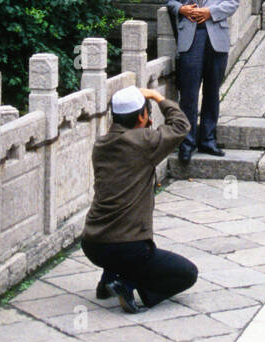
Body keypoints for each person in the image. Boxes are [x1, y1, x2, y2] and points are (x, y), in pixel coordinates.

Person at [83, 85, 198, 314]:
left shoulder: (101, 145)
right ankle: (128, 284)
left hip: (93, 244)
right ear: (142, 115)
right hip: (129, 248)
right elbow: (181, 126)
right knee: (187, 273)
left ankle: (109, 280)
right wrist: (157, 97)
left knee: (121, 250)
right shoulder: (145, 142)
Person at [166, 0, 240, 162]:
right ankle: (186, 142)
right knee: (188, 93)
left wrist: (211, 12)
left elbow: (233, 1)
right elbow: (169, 0)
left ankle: (208, 139)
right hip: (191, 38)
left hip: (216, 38)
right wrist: (181, 9)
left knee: (211, 91)